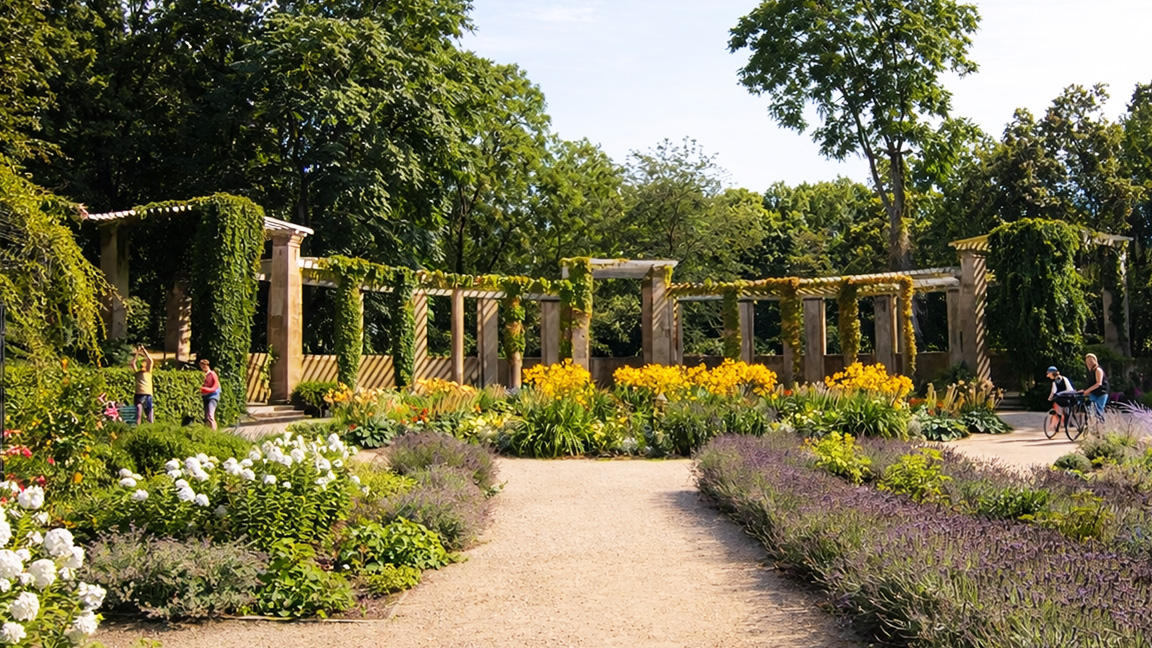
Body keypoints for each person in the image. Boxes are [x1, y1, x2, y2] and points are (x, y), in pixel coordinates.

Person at [131, 345, 155, 424]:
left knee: (149, 414)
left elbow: (150, 361)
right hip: (138, 394)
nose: (143, 367)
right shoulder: (137, 373)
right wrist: (137, 352)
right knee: (138, 413)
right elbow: (133, 363)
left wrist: (144, 350)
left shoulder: (148, 372)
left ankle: (150, 427)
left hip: (147, 394)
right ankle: (137, 427)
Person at [1081, 353, 1109, 419]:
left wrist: (1087, 391)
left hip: (1101, 393)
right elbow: (1090, 383)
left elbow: (1098, 383)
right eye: (1087, 361)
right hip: (1094, 393)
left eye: (1090, 360)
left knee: (1098, 411)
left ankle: (1101, 423)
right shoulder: (1090, 372)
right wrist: (1083, 390)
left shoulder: (1098, 370)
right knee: (1091, 410)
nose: (1089, 363)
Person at [198, 358, 220, 430]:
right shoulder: (202, 374)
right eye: (201, 367)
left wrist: (203, 389)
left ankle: (214, 431)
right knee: (206, 416)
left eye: (204, 366)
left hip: (213, 396)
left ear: (207, 365)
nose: (203, 368)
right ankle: (209, 430)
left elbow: (215, 387)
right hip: (205, 396)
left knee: (210, 415)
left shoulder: (212, 374)